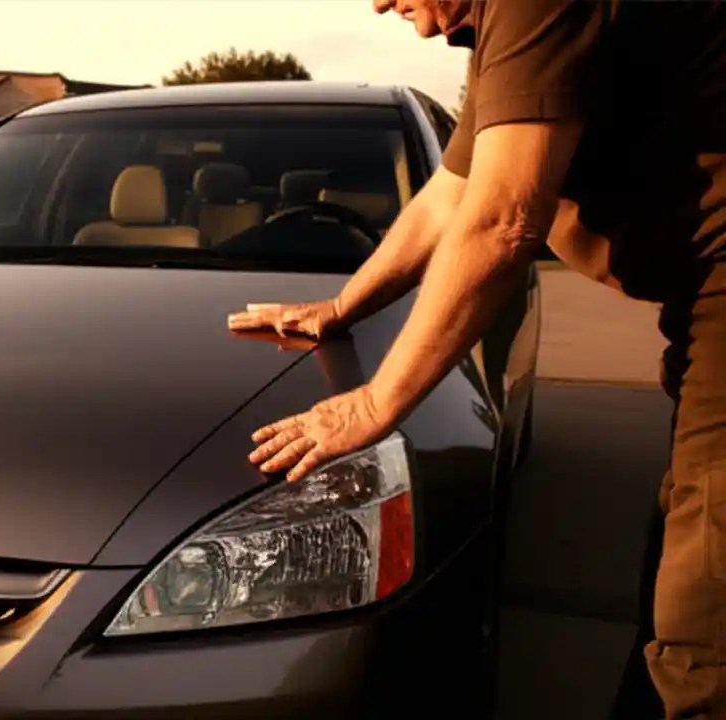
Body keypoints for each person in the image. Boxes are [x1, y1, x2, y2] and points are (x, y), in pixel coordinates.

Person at [227, 0, 726, 717]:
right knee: (683, 553)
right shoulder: (508, 37)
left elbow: (502, 220)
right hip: (699, 309)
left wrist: (374, 402)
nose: (379, 3)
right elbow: (450, 198)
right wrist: (342, 307)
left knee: (706, 621)